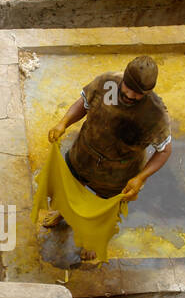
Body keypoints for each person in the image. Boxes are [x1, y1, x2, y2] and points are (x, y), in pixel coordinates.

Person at [39, 55, 172, 261]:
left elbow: (164, 150)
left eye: (138, 93)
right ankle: (63, 212)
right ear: (124, 79)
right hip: (84, 152)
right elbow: (83, 103)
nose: (130, 95)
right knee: (69, 186)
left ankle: (93, 239)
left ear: (147, 92)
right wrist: (63, 123)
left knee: (104, 208)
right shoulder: (106, 83)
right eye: (128, 87)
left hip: (118, 171)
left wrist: (141, 177)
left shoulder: (155, 113)